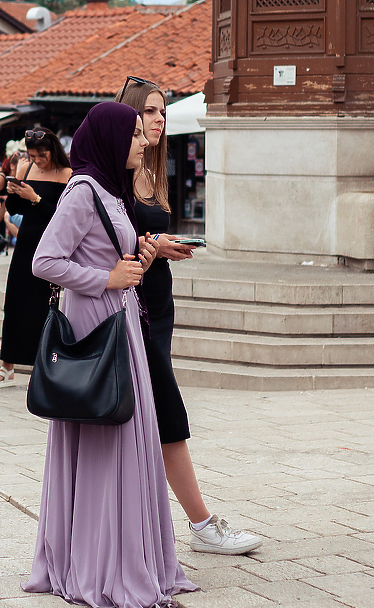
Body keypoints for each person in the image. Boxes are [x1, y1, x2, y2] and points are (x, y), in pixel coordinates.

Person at [25, 101, 197, 608]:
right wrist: (105, 279)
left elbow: (106, 252)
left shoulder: (109, 191)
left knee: (126, 440)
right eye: (136, 134)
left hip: (118, 318)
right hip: (96, 324)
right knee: (109, 441)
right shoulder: (82, 192)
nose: (144, 143)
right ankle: (100, 566)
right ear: (111, 139)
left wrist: (143, 257)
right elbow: (44, 261)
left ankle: (119, 557)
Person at [117, 78, 262, 554]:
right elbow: (110, 246)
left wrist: (161, 245)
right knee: (166, 414)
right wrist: (154, 246)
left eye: (162, 111)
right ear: (133, 116)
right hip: (131, 304)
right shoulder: (116, 172)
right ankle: (202, 525)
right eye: (152, 112)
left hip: (158, 302)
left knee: (151, 414)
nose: (160, 120)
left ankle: (137, 521)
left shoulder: (151, 170)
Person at [0, 127, 71, 389]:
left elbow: (65, 215)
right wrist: (14, 191)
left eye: (41, 155)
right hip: (26, 243)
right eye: (33, 155)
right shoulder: (27, 169)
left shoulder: (68, 175)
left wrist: (35, 198)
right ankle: (7, 365)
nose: (37, 160)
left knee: (44, 307)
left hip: (53, 245)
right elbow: (14, 208)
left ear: (52, 150)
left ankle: (42, 365)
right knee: (15, 302)